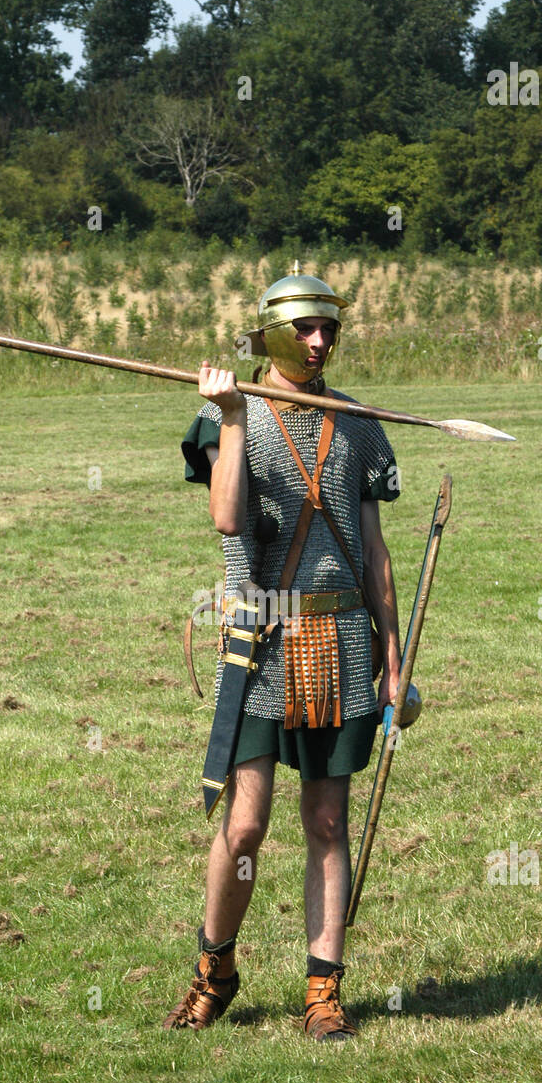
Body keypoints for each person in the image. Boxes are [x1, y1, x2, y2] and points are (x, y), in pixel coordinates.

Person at [165, 270, 401, 1041]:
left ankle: (322, 990)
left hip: (338, 639)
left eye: (328, 328)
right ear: (269, 331)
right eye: (304, 328)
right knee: (244, 828)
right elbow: (227, 517)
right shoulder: (227, 415)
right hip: (261, 642)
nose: (318, 341)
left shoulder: (356, 423)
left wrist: (392, 656)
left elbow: (373, 551)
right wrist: (232, 417)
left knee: (327, 822)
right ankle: (214, 970)